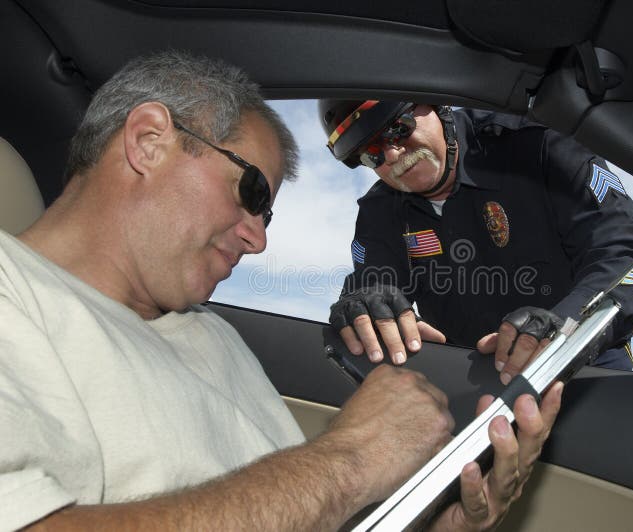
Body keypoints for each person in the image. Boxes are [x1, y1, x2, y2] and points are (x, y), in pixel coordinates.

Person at [0, 51, 562, 531]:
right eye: (250, 191)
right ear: (148, 142)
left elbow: (291, 509)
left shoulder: (214, 337)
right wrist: (350, 459)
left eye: (267, 213)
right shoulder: (15, 295)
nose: (258, 239)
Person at [319, 100, 633, 378]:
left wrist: (567, 328)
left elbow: (627, 254)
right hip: (470, 378)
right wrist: (365, 303)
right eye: (372, 153)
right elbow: (375, 286)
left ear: (436, 106)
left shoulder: (540, 147)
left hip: (582, 362)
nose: (392, 156)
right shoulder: (380, 210)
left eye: (398, 129)